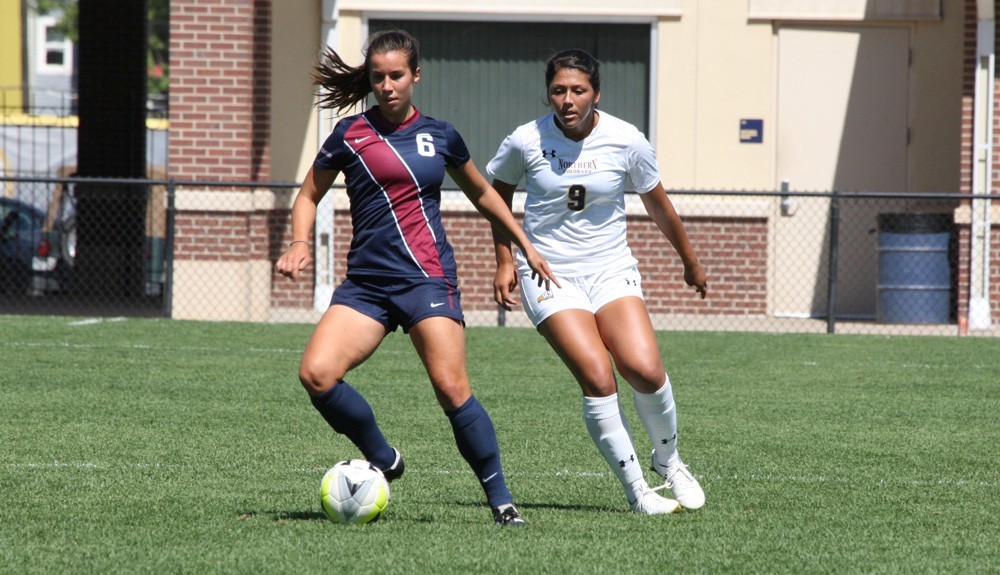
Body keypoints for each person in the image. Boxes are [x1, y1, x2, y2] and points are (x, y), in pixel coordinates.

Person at [276, 29, 558, 526]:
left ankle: (501, 500)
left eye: (396, 76)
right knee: (316, 374)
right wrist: (299, 243)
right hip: (366, 285)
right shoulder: (348, 135)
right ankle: (383, 456)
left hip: (428, 279)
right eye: (378, 77)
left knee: (452, 389)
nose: (386, 86)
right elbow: (307, 197)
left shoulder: (442, 135)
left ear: (415, 76)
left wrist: (520, 248)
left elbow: (485, 195)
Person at [486, 49, 708, 515]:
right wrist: (505, 260)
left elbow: (659, 206)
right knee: (597, 375)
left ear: (596, 94)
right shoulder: (525, 140)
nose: (567, 100)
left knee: (644, 368)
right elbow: (496, 197)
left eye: (578, 90)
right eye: (558, 90)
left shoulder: (628, 140)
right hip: (549, 273)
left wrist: (690, 261)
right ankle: (637, 492)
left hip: (610, 268)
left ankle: (668, 462)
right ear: (549, 93)